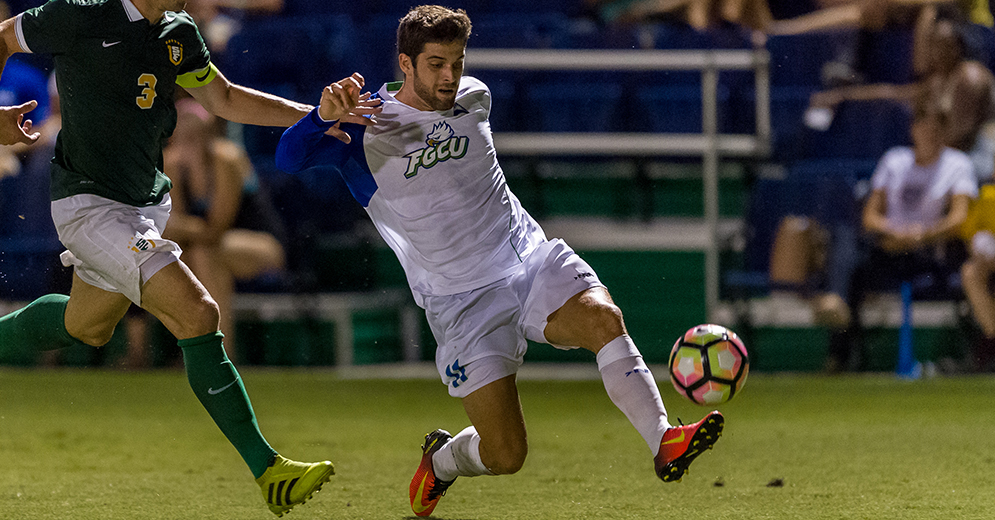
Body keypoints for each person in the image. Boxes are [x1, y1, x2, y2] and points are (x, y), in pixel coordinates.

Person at [274, 5, 724, 518]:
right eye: (436, 64)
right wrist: (321, 118)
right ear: (406, 62)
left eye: (457, 62)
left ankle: (664, 440)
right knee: (506, 454)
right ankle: (442, 461)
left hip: (527, 260)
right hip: (458, 301)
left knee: (603, 318)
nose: (449, 76)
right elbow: (288, 158)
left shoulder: (475, 96)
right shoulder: (365, 128)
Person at [0, 0, 380, 516]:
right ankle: (269, 469)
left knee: (87, 326)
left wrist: (314, 117)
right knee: (198, 313)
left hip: (146, 206)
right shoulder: (83, 12)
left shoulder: (178, 30)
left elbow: (223, 97)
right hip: (89, 205)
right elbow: (3, 36)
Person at [824, 97, 977, 371]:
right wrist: (894, 232)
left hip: (930, 254)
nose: (929, 134)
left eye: (936, 129)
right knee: (845, 240)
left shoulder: (957, 164)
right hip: (889, 247)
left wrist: (922, 235)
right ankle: (838, 329)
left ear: (945, 131)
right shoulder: (894, 160)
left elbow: (959, 218)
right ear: (913, 129)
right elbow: (870, 216)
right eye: (924, 127)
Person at [160, 97, 287, 362]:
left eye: (195, 135)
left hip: (262, 245)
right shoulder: (172, 166)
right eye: (183, 136)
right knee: (176, 259)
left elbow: (215, 230)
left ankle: (219, 354)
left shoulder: (227, 159)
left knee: (204, 254)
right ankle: (199, 350)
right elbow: (177, 232)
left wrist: (180, 227)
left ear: (208, 133)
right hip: (207, 249)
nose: (189, 142)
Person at [809, 7, 995, 180]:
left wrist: (926, 161)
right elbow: (890, 92)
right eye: (935, 45)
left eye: (946, 45)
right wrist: (842, 95)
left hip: (976, 160)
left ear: (959, 47)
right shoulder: (937, 81)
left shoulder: (969, 76)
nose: (938, 52)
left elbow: (960, 135)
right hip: (947, 159)